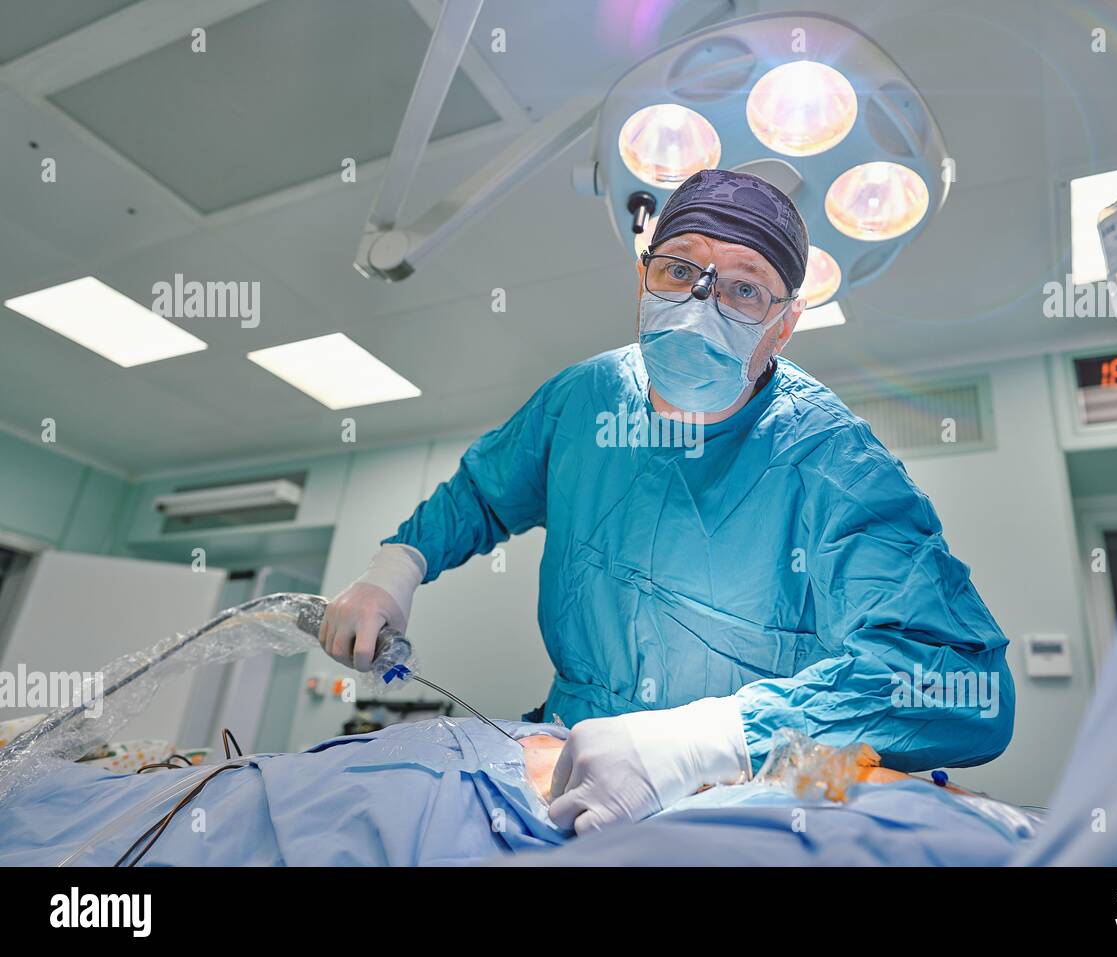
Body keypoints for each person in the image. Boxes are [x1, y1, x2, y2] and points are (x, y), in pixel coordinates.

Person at [320, 168, 1014, 834]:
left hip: (747, 797)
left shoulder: (834, 466)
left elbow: (964, 685)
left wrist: (706, 741)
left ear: (785, 323)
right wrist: (397, 563)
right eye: (680, 270)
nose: (699, 306)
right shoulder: (581, 401)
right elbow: (485, 492)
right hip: (566, 757)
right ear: (642, 276)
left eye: (745, 290)